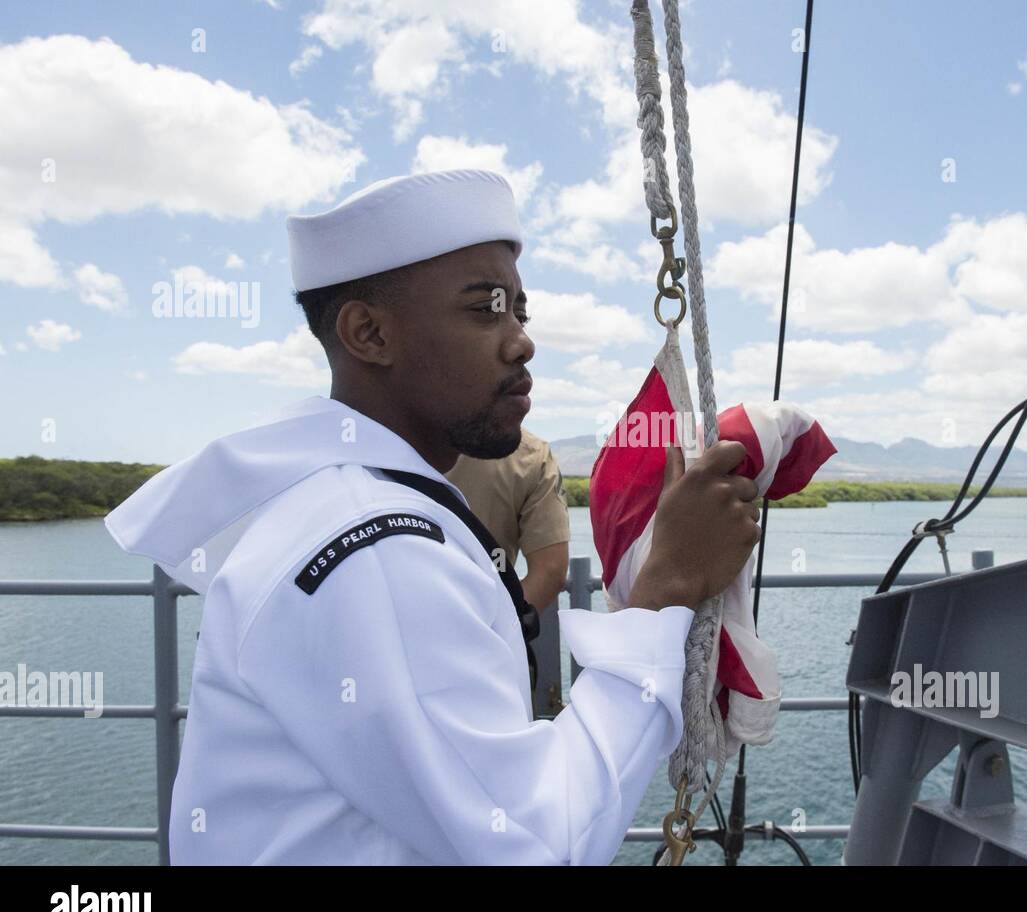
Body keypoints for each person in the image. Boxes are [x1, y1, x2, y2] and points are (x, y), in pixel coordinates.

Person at [103, 169, 760, 865]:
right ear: (369, 333)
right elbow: (538, 839)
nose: (521, 341)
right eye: (486, 310)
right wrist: (666, 592)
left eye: (520, 312)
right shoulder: (375, 552)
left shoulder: (356, 505)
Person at [445, 428, 570, 612]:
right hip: (485, 621)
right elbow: (550, 570)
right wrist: (496, 627)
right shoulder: (531, 454)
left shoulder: (395, 430)